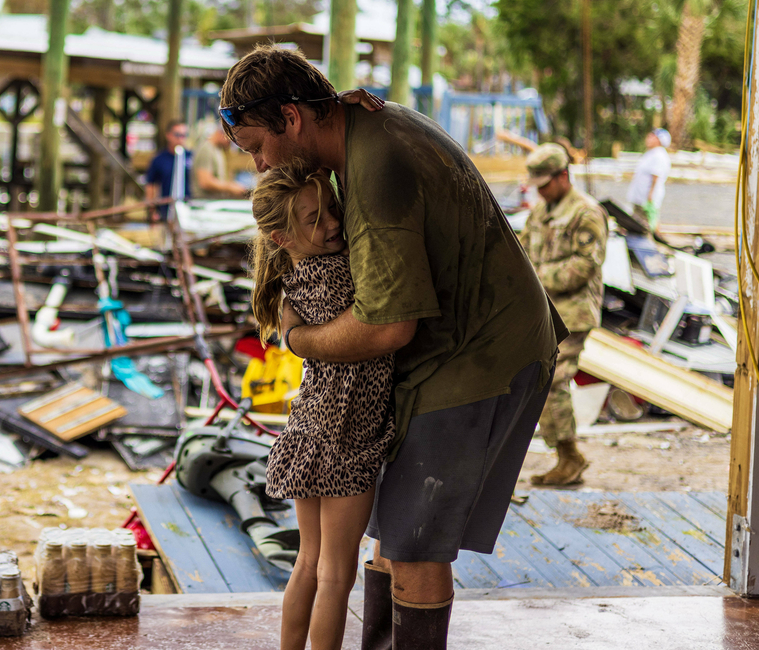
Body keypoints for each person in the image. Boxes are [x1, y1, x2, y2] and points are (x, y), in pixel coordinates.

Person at [219, 46, 563, 649]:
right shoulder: (359, 125)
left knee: (413, 545)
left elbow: (387, 329)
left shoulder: (375, 170)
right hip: (441, 352)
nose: (259, 164)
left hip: (478, 354)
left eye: (256, 147)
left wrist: (299, 340)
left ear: (292, 118)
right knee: (389, 533)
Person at [251, 161, 395, 650]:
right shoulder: (342, 273)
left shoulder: (295, 276)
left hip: (308, 427)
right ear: (281, 237)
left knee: (308, 563)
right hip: (346, 433)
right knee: (336, 573)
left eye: (333, 208)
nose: (333, 223)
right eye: (315, 219)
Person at [518, 144, 608, 486]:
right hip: (545, 312)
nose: (539, 191)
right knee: (540, 381)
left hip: (573, 313)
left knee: (553, 381)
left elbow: (585, 265)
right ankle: (566, 454)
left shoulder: (586, 212)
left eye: (544, 184)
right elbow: (522, 249)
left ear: (563, 176)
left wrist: (535, 277)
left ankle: (569, 456)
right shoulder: (540, 213)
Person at [144, 121, 192, 221]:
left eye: (184, 135)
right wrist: (152, 210)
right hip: (165, 209)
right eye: (177, 135)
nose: (180, 139)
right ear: (169, 135)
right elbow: (151, 185)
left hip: (189, 208)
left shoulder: (191, 157)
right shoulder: (159, 159)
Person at [626, 127, 672, 230]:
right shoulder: (651, 153)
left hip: (646, 199)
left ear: (659, 140)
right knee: (637, 223)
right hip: (640, 197)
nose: (648, 138)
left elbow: (656, 176)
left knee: (645, 225)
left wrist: (650, 197)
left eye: (652, 137)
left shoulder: (659, 155)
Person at [193, 122, 249, 199]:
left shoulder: (217, 150)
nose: (230, 143)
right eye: (230, 139)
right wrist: (230, 187)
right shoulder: (206, 150)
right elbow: (205, 182)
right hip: (204, 201)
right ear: (223, 133)